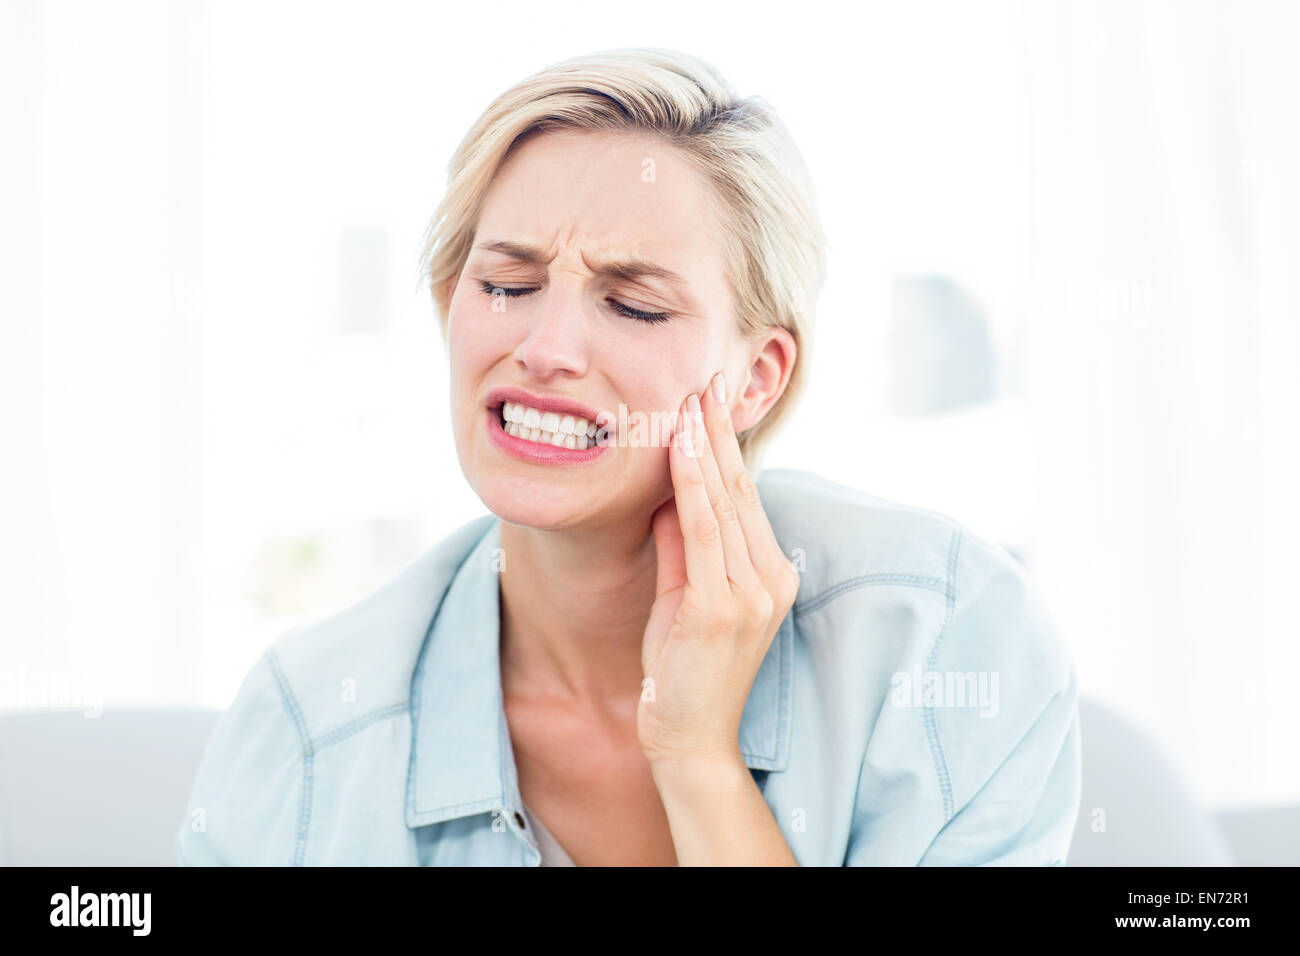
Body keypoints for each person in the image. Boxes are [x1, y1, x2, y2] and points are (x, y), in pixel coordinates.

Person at [177, 47, 1080, 866]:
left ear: (756, 378)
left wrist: (697, 762)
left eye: (635, 305)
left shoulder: (949, 646)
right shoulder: (302, 735)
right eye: (506, 285)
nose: (545, 346)